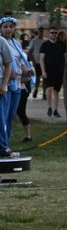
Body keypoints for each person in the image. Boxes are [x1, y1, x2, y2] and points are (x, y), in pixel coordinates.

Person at [1, 17, 32, 147]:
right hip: (6, 83)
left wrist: (27, 70)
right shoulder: (2, 42)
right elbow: (4, 64)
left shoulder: (16, 44)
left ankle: (5, 143)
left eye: (10, 26)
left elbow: (20, 62)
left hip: (18, 84)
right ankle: (3, 145)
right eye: (5, 26)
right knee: (3, 115)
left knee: (11, 116)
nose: (8, 29)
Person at [39, 28, 66, 118]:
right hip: (48, 71)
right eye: (52, 32)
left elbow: (65, 57)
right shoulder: (45, 45)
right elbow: (41, 58)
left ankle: (55, 110)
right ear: (49, 34)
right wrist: (43, 71)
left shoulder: (62, 44)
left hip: (59, 71)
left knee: (56, 91)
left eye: (55, 33)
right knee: (48, 89)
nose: (54, 34)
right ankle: (49, 107)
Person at [0, 28, 13, 158]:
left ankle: (2, 147)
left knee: (0, 118)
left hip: (0, 84)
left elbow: (8, 64)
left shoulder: (2, 42)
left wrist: (4, 84)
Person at [27, 27, 45, 99]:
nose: (41, 33)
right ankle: (36, 90)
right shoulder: (34, 41)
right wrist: (33, 61)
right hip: (37, 62)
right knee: (38, 77)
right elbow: (30, 52)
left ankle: (44, 93)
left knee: (44, 77)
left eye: (42, 32)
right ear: (38, 32)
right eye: (40, 32)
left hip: (44, 62)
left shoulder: (45, 41)